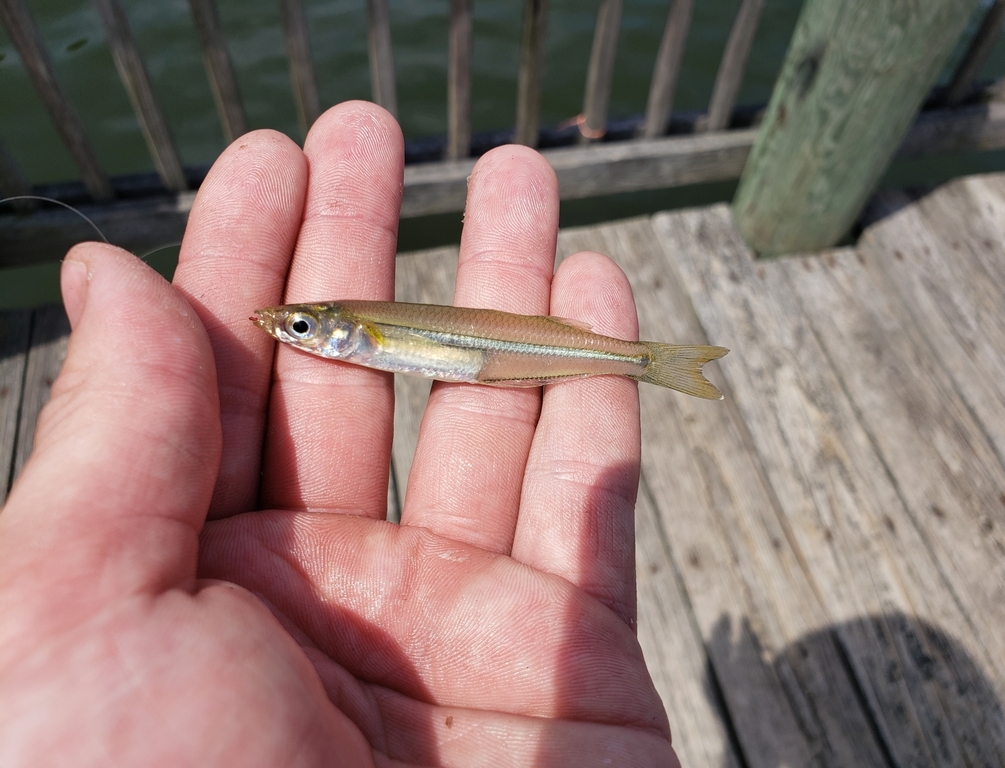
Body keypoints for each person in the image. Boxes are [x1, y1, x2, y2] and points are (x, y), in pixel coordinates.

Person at [0, 102, 677, 766]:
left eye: (301, 328)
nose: (290, 332)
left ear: (350, 332)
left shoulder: (361, 331)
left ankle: (647, 361)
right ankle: (645, 360)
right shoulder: (356, 332)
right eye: (300, 327)